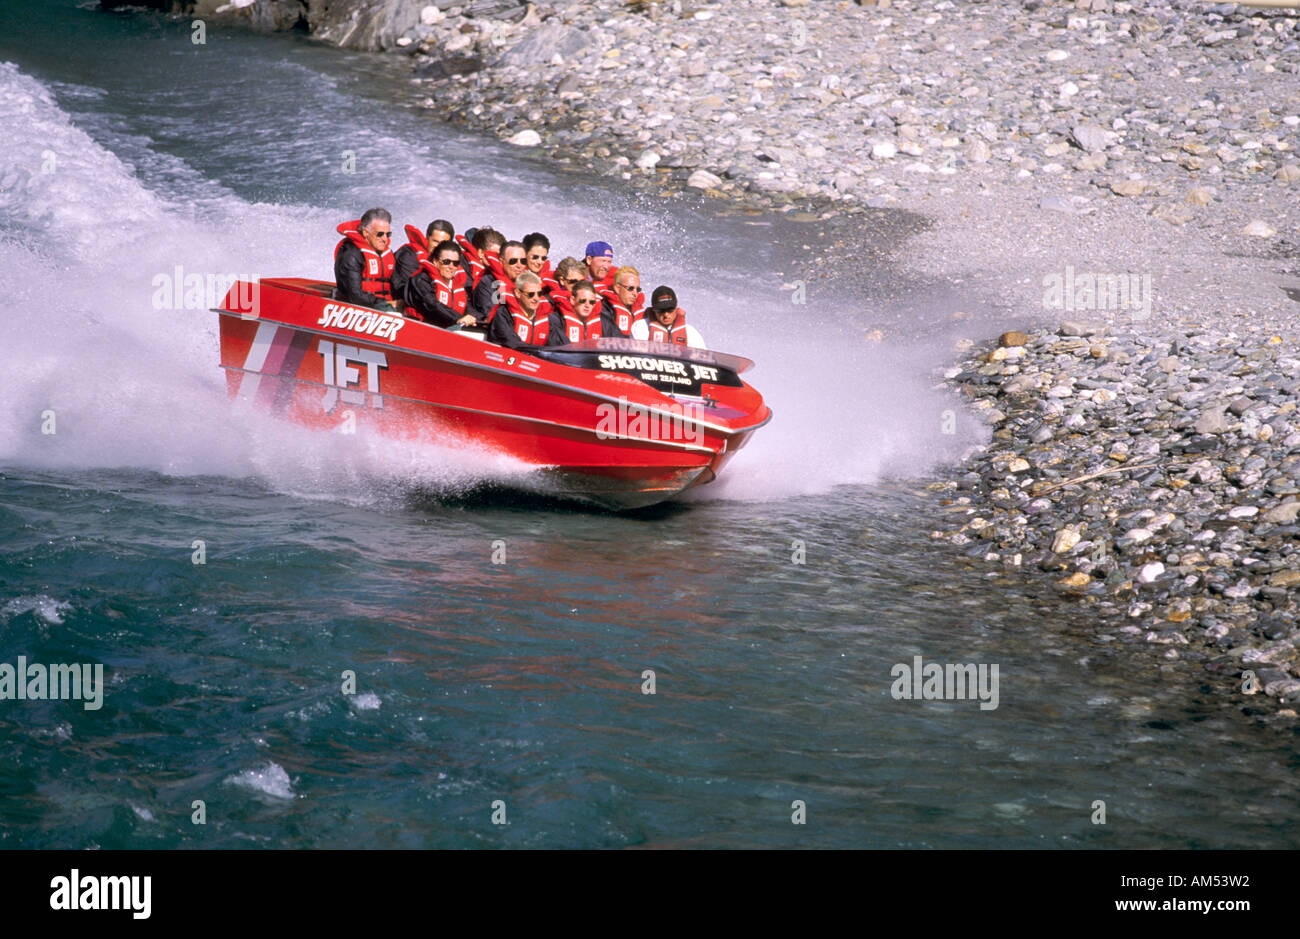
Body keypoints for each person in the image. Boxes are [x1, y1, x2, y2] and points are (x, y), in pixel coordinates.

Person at [401, 240, 476, 329]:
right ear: (435, 261)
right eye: (446, 262)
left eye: (455, 263)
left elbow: (469, 310)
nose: (451, 266)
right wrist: (458, 318)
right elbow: (431, 304)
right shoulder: (421, 279)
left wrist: (480, 321)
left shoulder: (457, 286)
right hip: (419, 329)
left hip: (447, 331)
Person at [334, 208, 398, 309]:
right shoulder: (351, 254)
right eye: (380, 234)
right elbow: (355, 295)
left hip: (384, 304)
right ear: (365, 232)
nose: (385, 239)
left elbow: (396, 283)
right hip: (359, 307)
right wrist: (385, 303)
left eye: (388, 234)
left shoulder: (387, 254)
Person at [487, 271, 566, 349]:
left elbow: (560, 346)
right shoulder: (504, 314)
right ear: (518, 293)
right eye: (531, 294)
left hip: (534, 358)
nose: (536, 298)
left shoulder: (546, 318)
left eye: (539, 294)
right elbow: (511, 343)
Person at [631, 285, 706, 348]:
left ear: (676, 306)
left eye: (670, 309)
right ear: (653, 309)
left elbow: (704, 358)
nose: (666, 314)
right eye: (661, 310)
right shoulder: (640, 327)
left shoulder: (690, 332)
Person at [467, 229, 509, 323]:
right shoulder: (463, 265)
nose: (498, 260)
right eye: (495, 255)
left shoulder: (500, 277)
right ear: (481, 253)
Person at [599, 265, 645, 337]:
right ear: (617, 288)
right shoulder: (604, 309)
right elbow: (610, 334)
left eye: (638, 289)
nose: (635, 293)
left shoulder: (643, 312)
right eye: (630, 288)